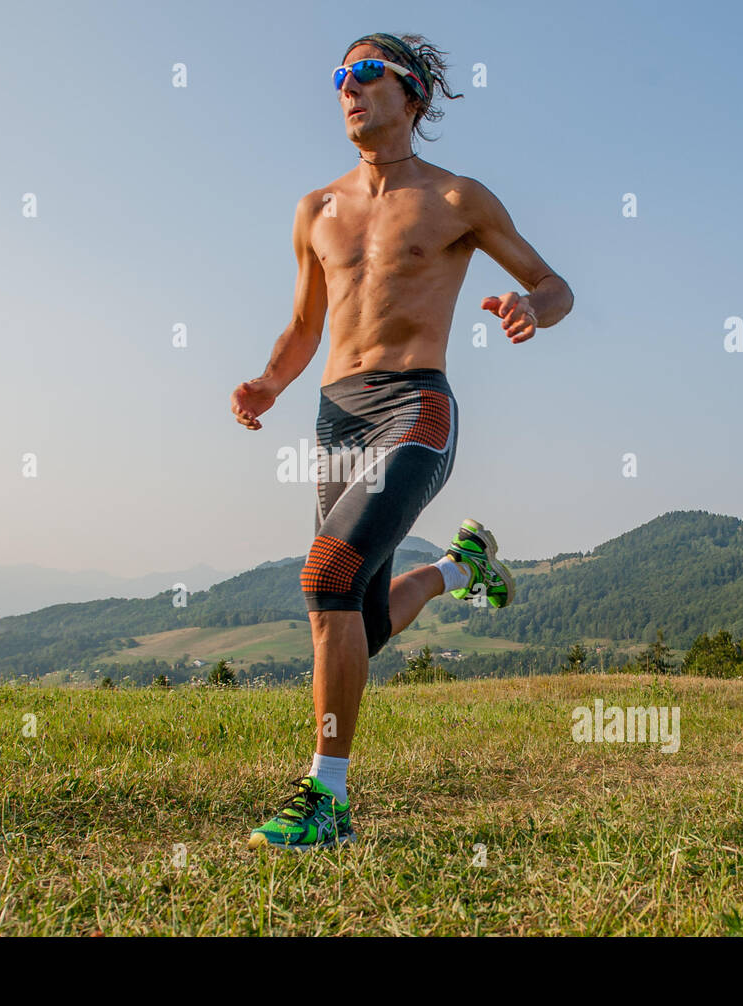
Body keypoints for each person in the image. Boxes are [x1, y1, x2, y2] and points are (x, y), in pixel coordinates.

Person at [230, 32, 573, 851]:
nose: (347, 87)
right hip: (336, 418)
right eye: (339, 76)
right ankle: (463, 567)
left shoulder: (458, 199)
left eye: (365, 73)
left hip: (416, 408)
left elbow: (554, 284)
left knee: (326, 578)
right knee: (360, 621)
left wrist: (536, 309)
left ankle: (328, 799)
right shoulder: (316, 209)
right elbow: (305, 323)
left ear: (411, 94)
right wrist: (268, 383)